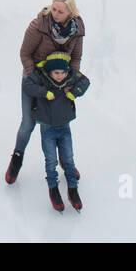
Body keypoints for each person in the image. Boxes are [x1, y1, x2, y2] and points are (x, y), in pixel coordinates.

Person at [6, 0, 85, 186]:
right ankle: (17, 157)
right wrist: (34, 77)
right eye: (54, 9)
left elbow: (76, 57)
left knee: (58, 121)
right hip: (35, 79)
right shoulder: (39, 26)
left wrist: (72, 78)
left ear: (70, 13)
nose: (56, 14)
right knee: (28, 123)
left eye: (60, 11)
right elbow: (25, 53)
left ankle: (65, 159)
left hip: (58, 80)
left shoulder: (77, 30)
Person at [23, 52, 90, 212]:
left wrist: (75, 92)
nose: (60, 76)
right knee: (51, 160)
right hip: (47, 129)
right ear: (50, 72)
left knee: (68, 158)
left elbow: (85, 81)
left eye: (62, 73)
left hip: (64, 128)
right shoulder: (42, 79)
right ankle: (53, 187)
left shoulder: (69, 78)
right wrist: (44, 93)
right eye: (56, 73)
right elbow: (28, 86)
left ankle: (72, 189)